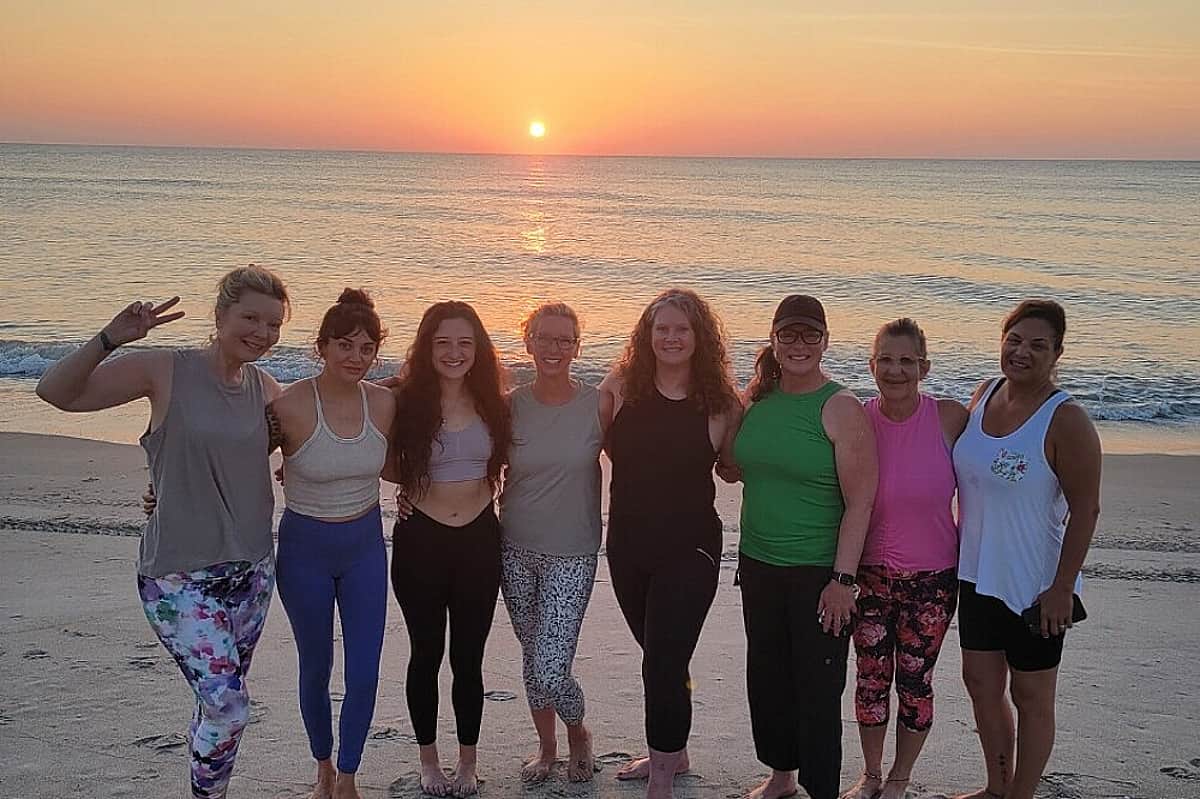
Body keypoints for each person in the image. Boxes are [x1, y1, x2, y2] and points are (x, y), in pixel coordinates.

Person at [36, 265, 289, 799]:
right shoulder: (165, 370)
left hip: (251, 576)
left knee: (216, 704)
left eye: (273, 325)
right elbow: (56, 393)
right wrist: (109, 339)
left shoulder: (265, 388)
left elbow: (328, 423)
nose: (262, 333)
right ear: (220, 315)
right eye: (250, 318)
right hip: (178, 577)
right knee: (229, 708)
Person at [730, 294, 878, 799]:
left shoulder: (840, 406)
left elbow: (861, 502)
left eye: (810, 334)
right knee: (767, 676)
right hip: (757, 562)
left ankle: (821, 790)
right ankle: (781, 776)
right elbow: (740, 463)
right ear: (773, 340)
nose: (799, 344)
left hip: (818, 570)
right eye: (788, 334)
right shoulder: (756, 399)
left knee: (817, 686)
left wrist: (843, 581)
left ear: (825, 341)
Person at [952, 300, 1101, 799]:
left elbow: (1086, 510)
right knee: (981, 685)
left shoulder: (1066, 419)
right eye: (1014, 340)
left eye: (1038, 345)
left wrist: (1062, 588)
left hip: (1035, 583)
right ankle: (997, 787)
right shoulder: (984, 393)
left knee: (1031, 695)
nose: (1022, 352)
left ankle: (1022, 794)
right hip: (976, 573)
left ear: (1057, 353)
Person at [598, 288, 742, 799]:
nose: (672, 337)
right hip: (627, 545)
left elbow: (734, 469)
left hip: (691, 549)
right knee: (664, 656)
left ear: (700, 337)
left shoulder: (722, 405)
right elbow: (580, 444)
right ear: (647, 335)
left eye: (682, 329)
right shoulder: (620, 389)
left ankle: (662, 778)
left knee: (660, 662)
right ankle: (674, 751)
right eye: (662, 328)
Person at [271, 289, 396, 799]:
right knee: (316, 666)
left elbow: (410, 458)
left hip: (365, 547)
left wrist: (415, 494)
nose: (355, 357)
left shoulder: (384, 403)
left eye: (366, 348)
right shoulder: (289, 405)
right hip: (305, 551)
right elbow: (231, 458)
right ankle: (323, 767)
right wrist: (161, 491)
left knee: (364, 669)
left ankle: (348, 777)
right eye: (344, 345)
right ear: (321, 346)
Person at [387, 301, 512, 798]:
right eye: (442, 342)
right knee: (425, 654)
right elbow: (367, 444)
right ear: (427, 348)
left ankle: (467, 763)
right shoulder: (402, 400)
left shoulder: (495, 401)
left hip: (479, 540)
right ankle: (428, 762)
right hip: (420, 539)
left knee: (468, 658)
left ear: (478, 348)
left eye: (464, 342)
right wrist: (408, 485)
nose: (454, 352)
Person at [841, 318, 969, 799]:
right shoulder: (857, 419)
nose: (895, 371)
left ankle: (900, 778)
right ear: (871, 365)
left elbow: (994, 466)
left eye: (906, 361)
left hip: (933, 580)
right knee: (870, 679)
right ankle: (871, 774)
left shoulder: (950, 418)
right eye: (886, 360)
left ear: (924, 367)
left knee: (916, 682)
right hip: (869, 575)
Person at [500, 302, 605, 784]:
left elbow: (644, 454)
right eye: (545, 337)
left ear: (577, 348)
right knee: (532, 655)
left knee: (549, 667)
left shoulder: (599, 404)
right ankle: (546, 746)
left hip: (573, 551)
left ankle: (578, 732)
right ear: (528, 341)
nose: (554, 348)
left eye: (565, 340)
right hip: (514, 546)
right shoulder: (510, 405)